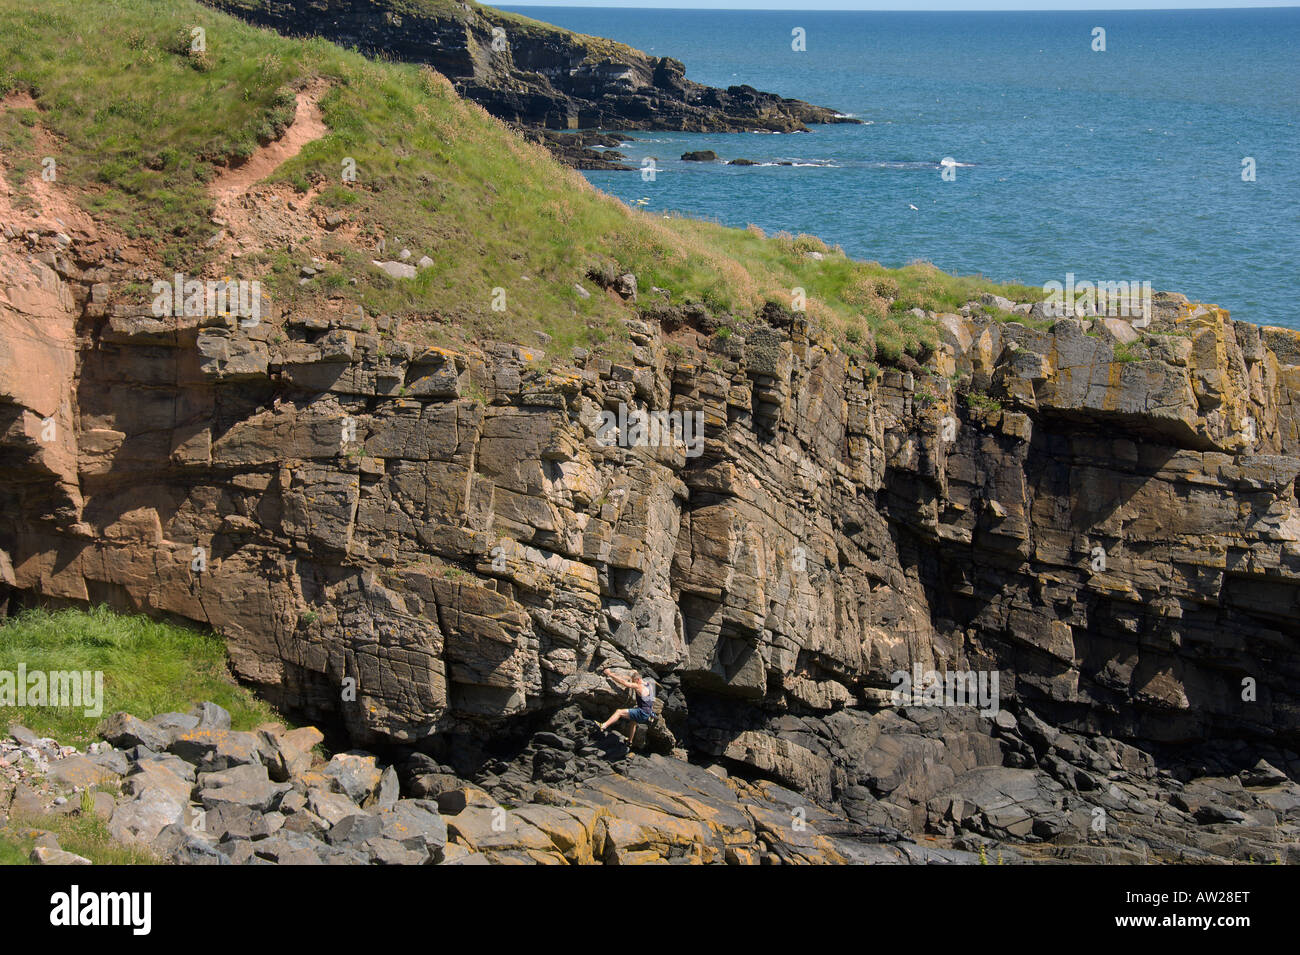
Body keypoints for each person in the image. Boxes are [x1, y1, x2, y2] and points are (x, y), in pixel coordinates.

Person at [596, 667, 655, 741]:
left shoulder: (638, 686)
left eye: (634, 681)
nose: (633, 683)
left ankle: (603, 726)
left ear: (638, 680)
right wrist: (635, 673)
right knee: (633, 722)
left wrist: (610, 674)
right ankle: (630, 741)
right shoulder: (648, 685)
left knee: (619, 712)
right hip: (648, 714)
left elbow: (624, 683)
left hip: (642, 713)